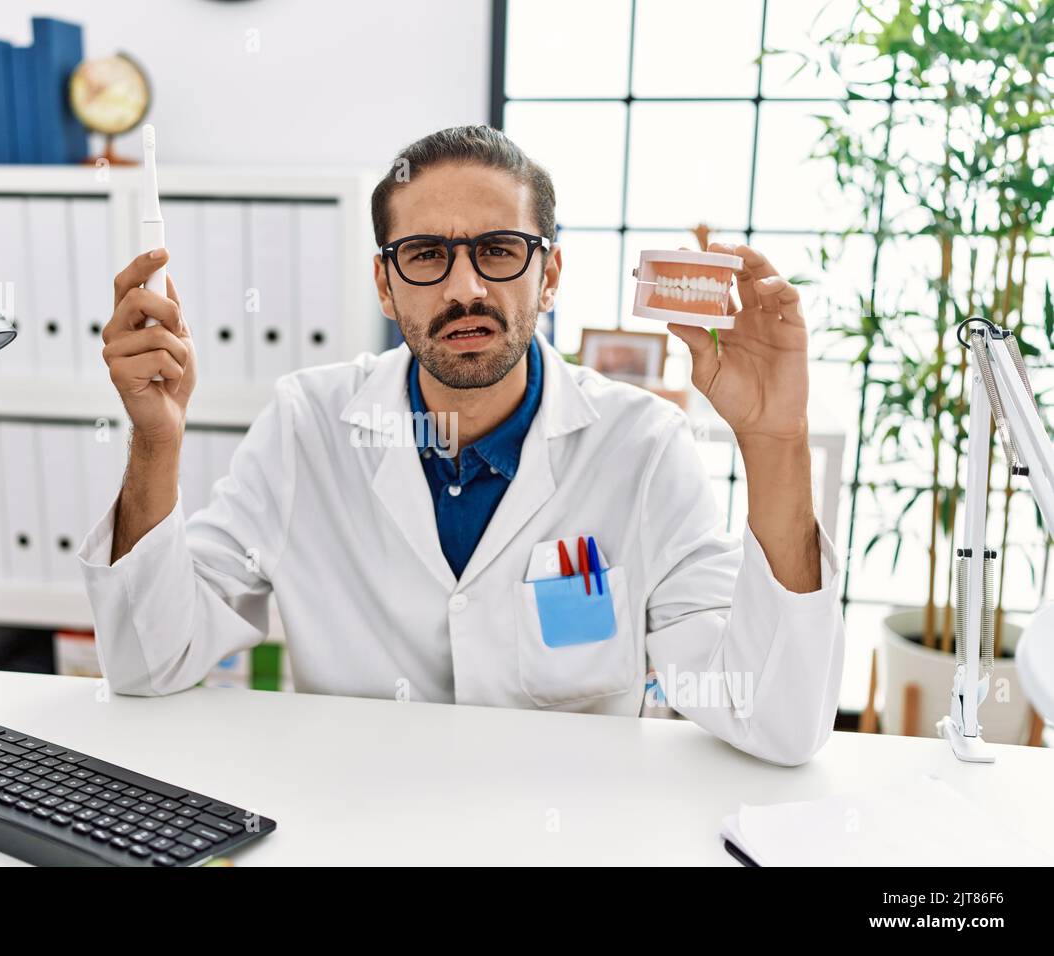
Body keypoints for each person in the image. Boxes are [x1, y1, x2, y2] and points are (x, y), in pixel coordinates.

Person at [78, 125, 843, 766]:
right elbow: (151, 662)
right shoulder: (306, 424)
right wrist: (155, 442)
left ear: (550, 276)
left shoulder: (642, 446)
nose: (465, 289)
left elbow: (769, 717)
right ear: (386, 285)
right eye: (425, 255)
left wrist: (777, 440)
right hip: (353, 824)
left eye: (500, 249)